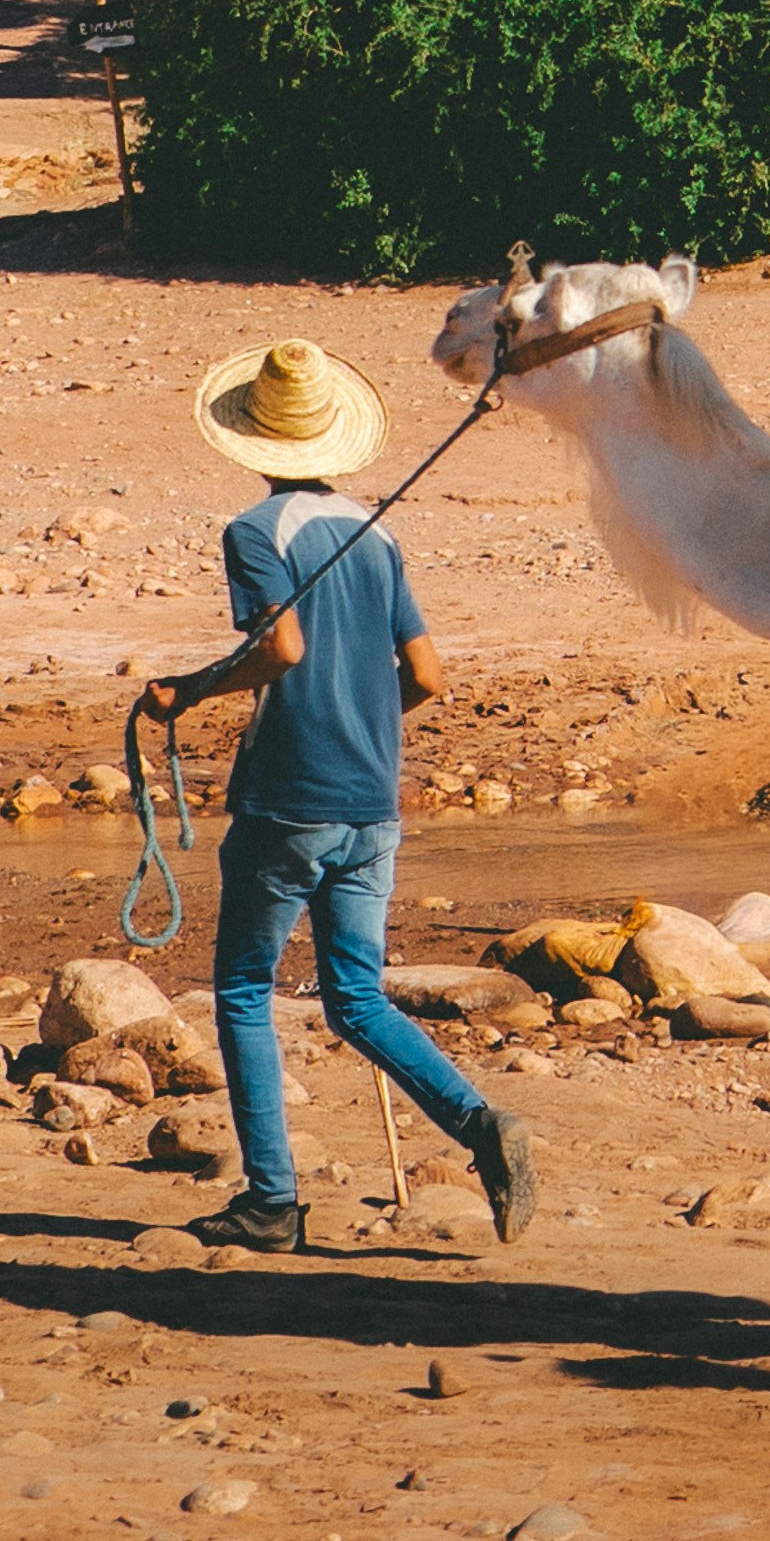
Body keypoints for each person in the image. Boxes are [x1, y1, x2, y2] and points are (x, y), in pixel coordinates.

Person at [137, 334, 536, 1259]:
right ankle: (481, 1128)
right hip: (372, 802)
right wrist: (367, 720)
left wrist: (185, 693)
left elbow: (280, 651)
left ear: (251, 442)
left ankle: (271, 1201)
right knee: (356, 999)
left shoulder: (254, 532)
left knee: (241, 989)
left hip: (289, 799)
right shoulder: (376, 531)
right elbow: (427, 676)